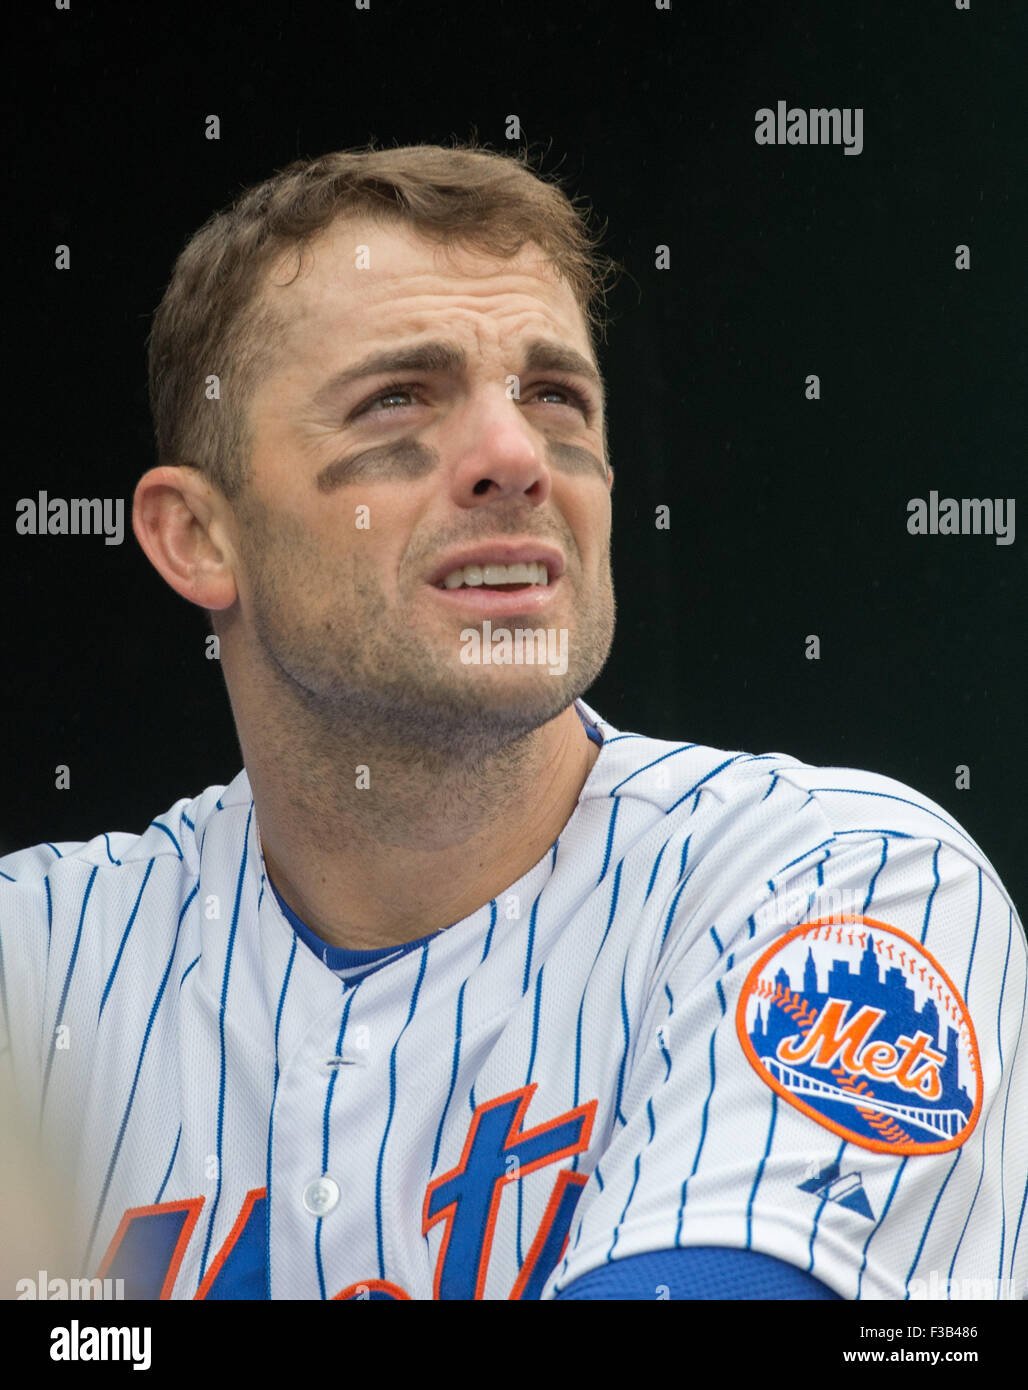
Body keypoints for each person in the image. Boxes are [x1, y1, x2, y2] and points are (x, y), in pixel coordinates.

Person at [1, 143, 1024, 1301]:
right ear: (199, 536)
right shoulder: (33, 968)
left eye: (554, 396)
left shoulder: (847, 885)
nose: (513, 457)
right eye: (397, 398)